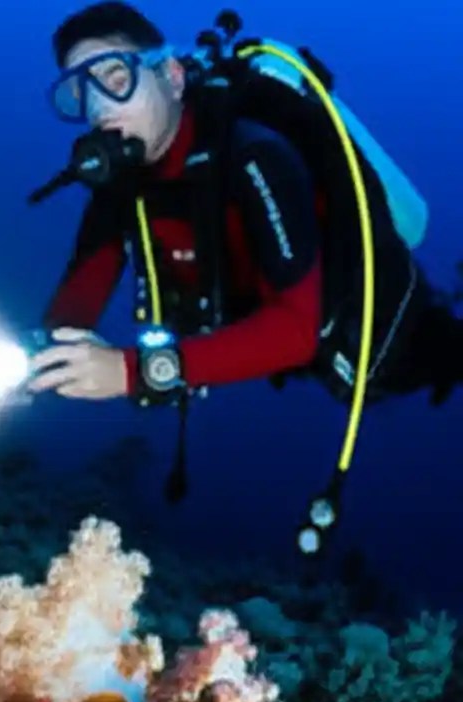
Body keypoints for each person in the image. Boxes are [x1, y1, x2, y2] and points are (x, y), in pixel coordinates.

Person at [25, 1, 463, 407]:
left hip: (363, 327)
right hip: (261, 331)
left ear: (173, 77)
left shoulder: (252, 153)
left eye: (117, 80)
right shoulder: (120, 188)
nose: (101, 109)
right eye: (82, 95)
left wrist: (133, 372)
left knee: (434, 357)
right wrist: (36, 357)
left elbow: (295, 330)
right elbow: (81, 291)